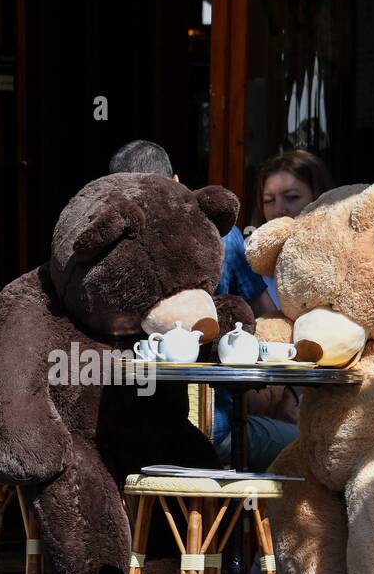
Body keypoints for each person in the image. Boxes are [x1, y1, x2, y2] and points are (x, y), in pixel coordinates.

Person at [106, 139, 297, 472]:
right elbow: (267, 316)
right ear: (178, 183)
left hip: (123, 440)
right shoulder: (221, 234)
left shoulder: (107, 249)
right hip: (218, 435)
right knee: (309, 447)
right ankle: (239, 524)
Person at [251, 149, 335, 308]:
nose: (278, 209)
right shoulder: (248, 257)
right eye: (269, 200)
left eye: (292, 197)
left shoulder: (339, 258)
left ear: (320, 197)